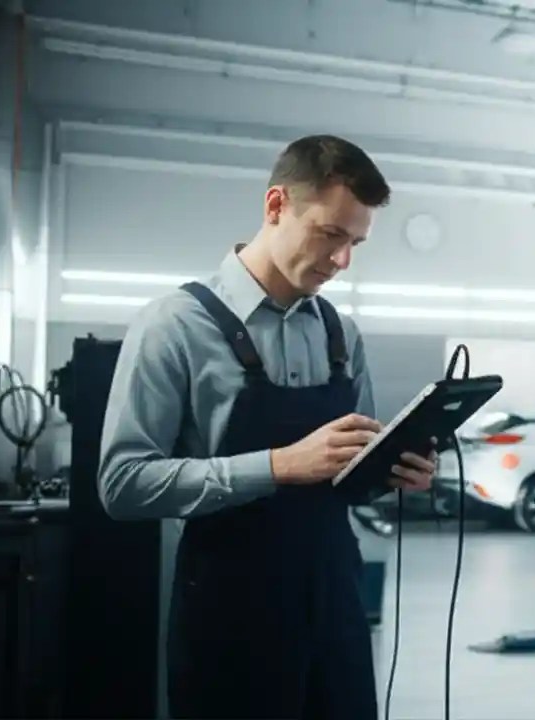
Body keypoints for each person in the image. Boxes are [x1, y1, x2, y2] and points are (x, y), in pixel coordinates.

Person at [97, 134, 436, 719]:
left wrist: (391, 469)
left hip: (335, 603)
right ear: (276, 206)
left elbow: (349, 474)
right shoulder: (173, 327)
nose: (342, 260)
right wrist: (279, 465)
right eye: (330, 234)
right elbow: (122, 484)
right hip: (231, 614)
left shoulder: (341, 333)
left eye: (355, 242)